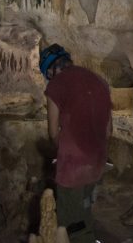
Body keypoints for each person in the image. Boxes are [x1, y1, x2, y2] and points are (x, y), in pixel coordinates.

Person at [39, 43, 112, 243]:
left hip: (73, 165)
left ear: (52, 69)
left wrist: (60, 153)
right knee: (85, 206)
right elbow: (109, 130)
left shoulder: (56, 85)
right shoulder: (99, 81)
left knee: (71, 223)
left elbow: (53, 131)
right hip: (97, 161)